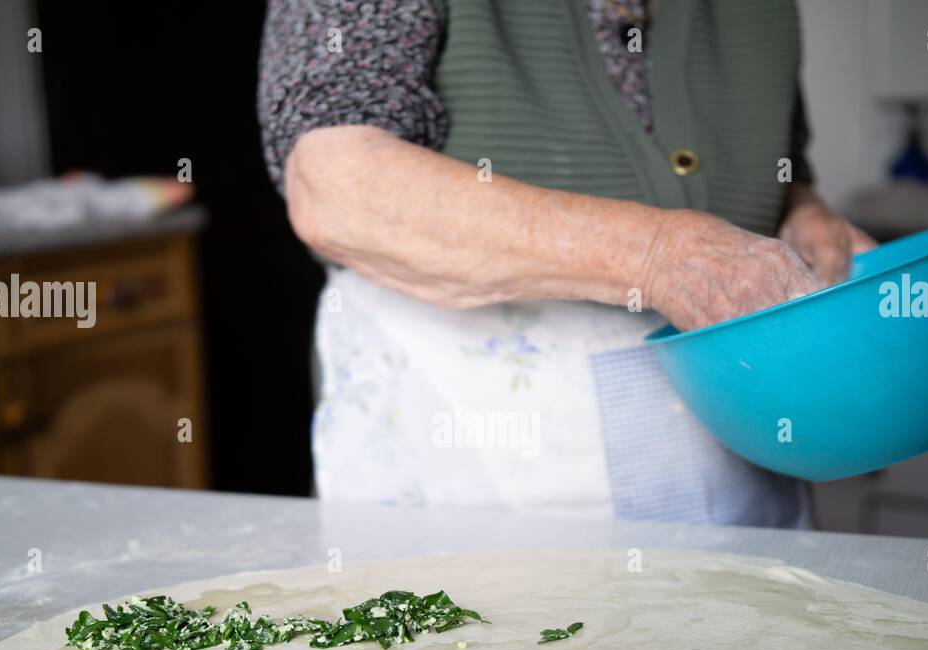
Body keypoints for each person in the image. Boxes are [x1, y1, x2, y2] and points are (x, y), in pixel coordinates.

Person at [258, 0, 874, 523]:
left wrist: (801, 214)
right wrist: (661, 257)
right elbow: (337, 185)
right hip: (470, 477)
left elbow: (771, 158)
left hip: (737, 484)